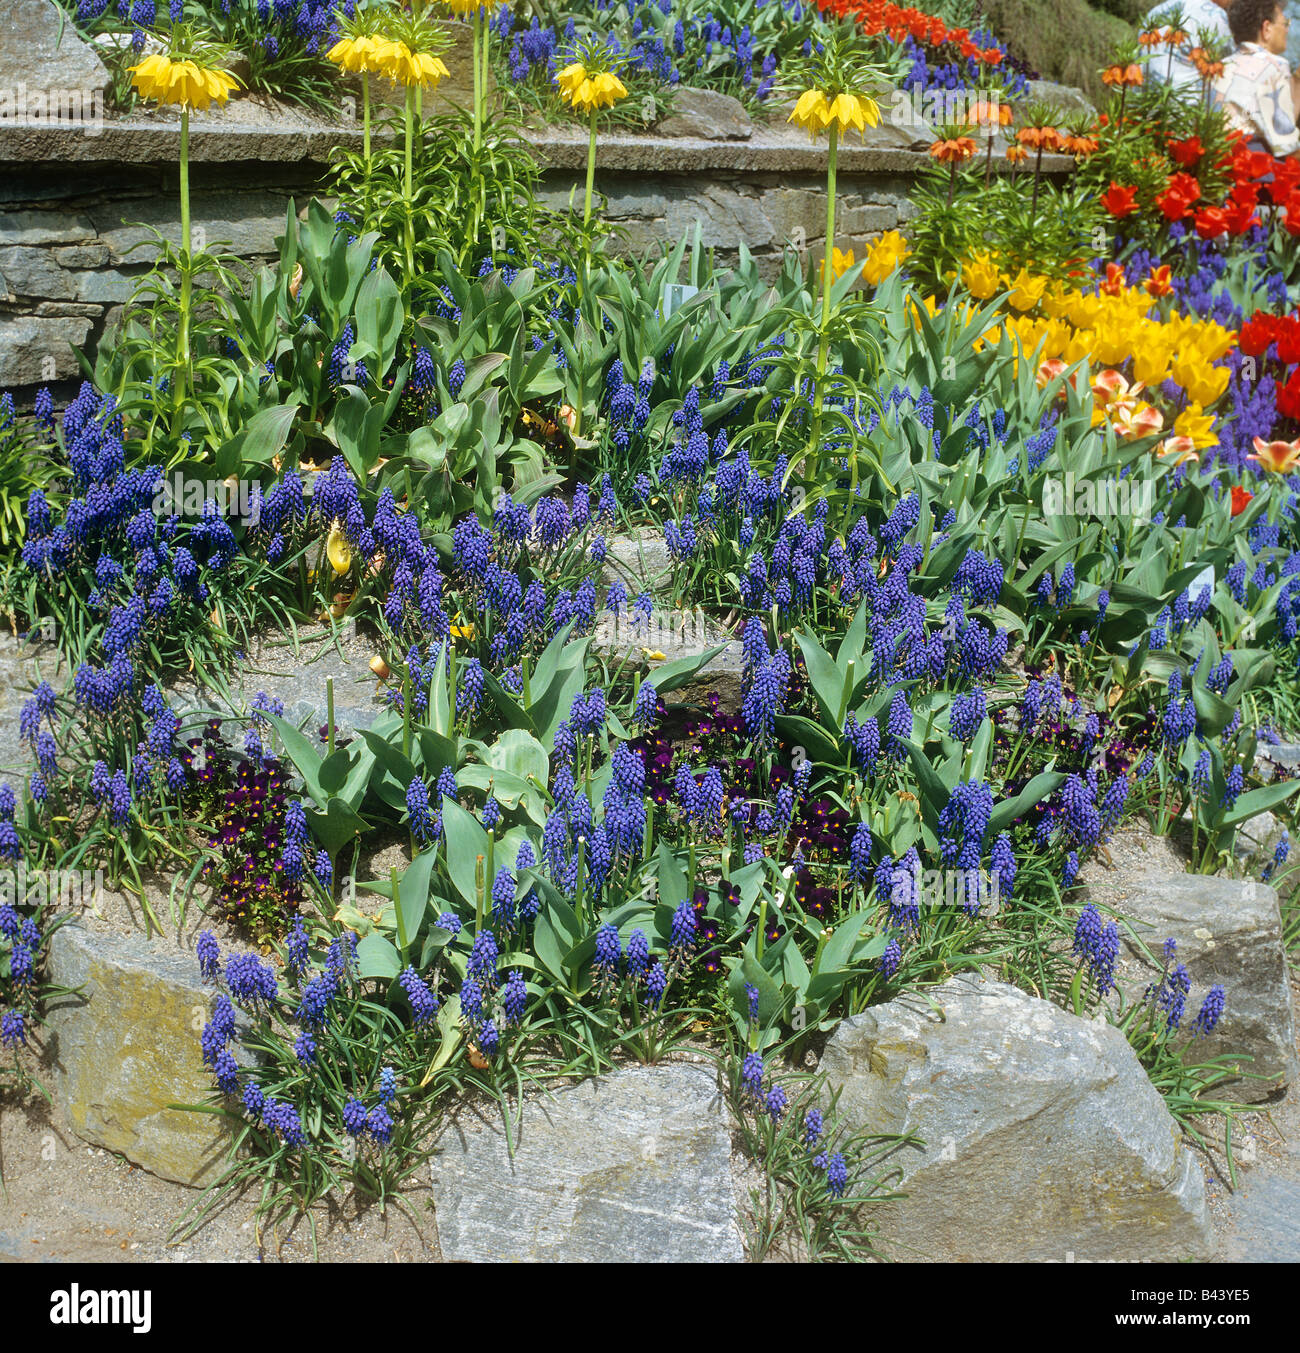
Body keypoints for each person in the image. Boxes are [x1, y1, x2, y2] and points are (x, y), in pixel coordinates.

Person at [1215, 0, 1299, 157]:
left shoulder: (1221, 65)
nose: (1287, 30)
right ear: (1266, 28)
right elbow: (1284, 141)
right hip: (1252, 163)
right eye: (1285, 23)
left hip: (1216, 162)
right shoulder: (1274, 65)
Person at [1144, 0, 1233, 89]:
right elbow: (1234, 60)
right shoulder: (1218, 17)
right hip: (1186, 98)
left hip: (1146, 88)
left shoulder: (1162, 7)